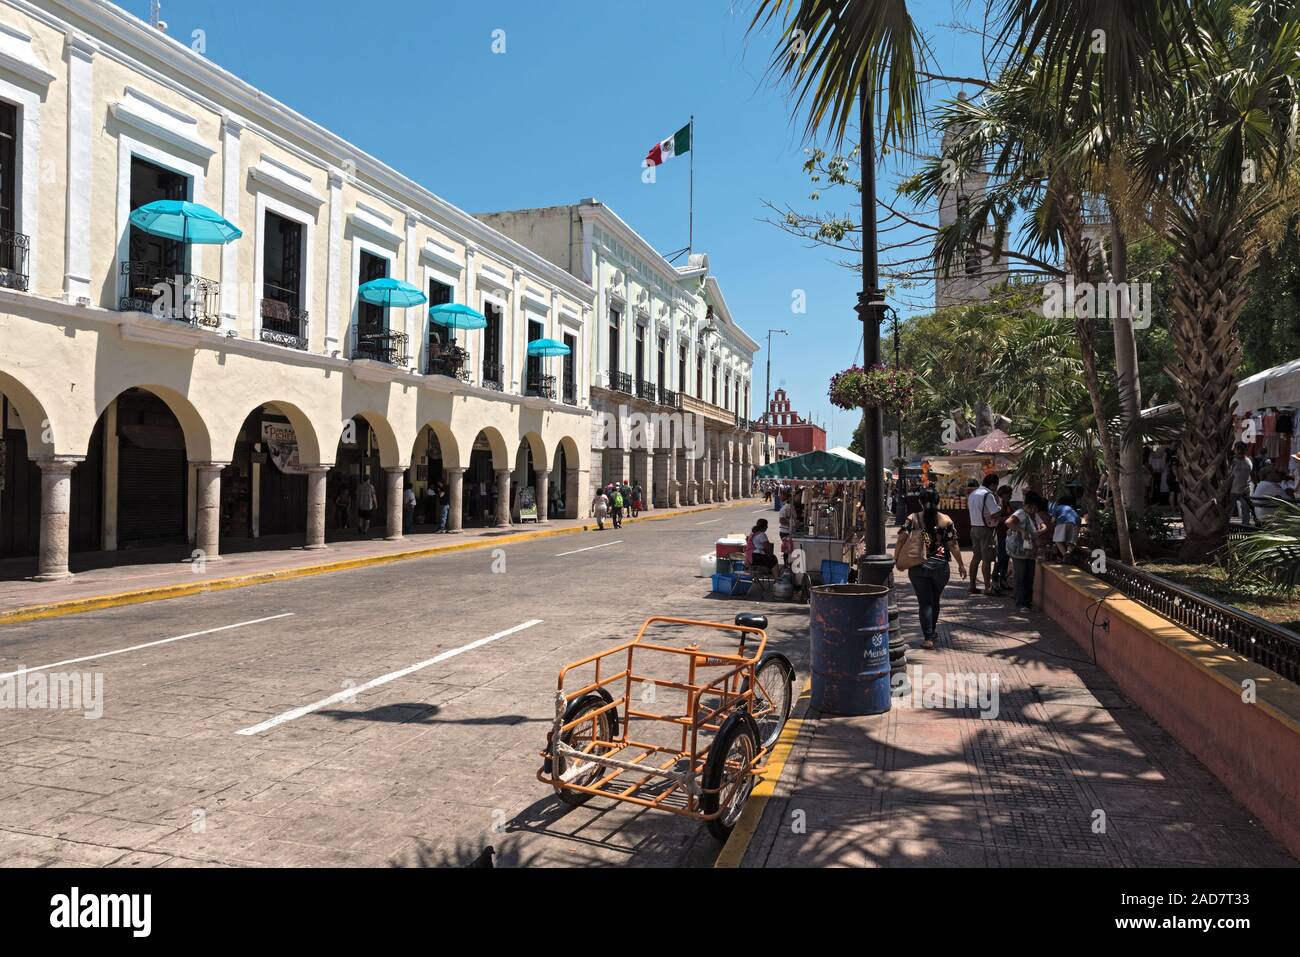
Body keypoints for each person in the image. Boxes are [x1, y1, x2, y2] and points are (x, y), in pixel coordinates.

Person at [895, 489, 967, 650]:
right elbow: (952, 544)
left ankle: (928, 637)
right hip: (941, 567)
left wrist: (896, 558)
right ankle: (932, 632)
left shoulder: (912, 518)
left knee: (924, 603)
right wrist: (961, 564)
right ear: (938, 501)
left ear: (920, 501)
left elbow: (901, 538)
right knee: (935, 600)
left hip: (918, 567)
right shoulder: (946, 520)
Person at [1006, 491, 1048, 613]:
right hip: (1019, 550)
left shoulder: (1034, 515)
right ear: (1028, 505)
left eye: (1035, 507)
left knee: (1029, 577)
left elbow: (1043, 525)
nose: (1034, 509)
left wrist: (1040, 530)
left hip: (1030, 551)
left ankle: (1027, 602)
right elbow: (1008, 522)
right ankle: (1020, 603)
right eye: (1032, 507)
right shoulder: (1020, 513)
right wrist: (1021, 531)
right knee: (1020, 577)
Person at [966, 474, 1001, 596]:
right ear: (992, 485)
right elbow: (995, 512)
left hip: (974, 528)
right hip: (986, 529)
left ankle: (972, 586)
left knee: (976, 557)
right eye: (996, 486)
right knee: (986, 559)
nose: (996, 488)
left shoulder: (973, 494)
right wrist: (1000, 503)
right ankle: (987, 587)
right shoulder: (988, 495)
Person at [993, 484, 1014, 593]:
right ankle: (995, 580)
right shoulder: (1000, 505)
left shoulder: (1008, 504)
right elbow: (997, 519)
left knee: (1006, 557)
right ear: (1003, 494)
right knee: (1000, 557)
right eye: (1008, 494)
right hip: (1001, 534)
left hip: (1008, 534)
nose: (1010, 496)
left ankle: (1003, 579)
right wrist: (1010, 518)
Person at [1230, 442, 1257, 526]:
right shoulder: (1231, 461)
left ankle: (1245, 529)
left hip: (1245, 490)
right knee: (1229, 510)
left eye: (1242, 448)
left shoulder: (1249, 461)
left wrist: (1256, 484)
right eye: (1238, 448)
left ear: (1246, 449)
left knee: (1246, 510)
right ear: (1235, 450)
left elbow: (1252, 474)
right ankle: (1225, 528)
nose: (1240, 450)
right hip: (1232, 490)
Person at [1048, 493, 1080, 562]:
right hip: (1075, 523)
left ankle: (1064, 554)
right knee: (1070, 541)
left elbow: (1052, 520)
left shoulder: (1057, 507)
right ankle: (1068, 552)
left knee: (1057, 540)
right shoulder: (1072, 509)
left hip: (1062, 522)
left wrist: (1052, 529)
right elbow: (1078, 520)